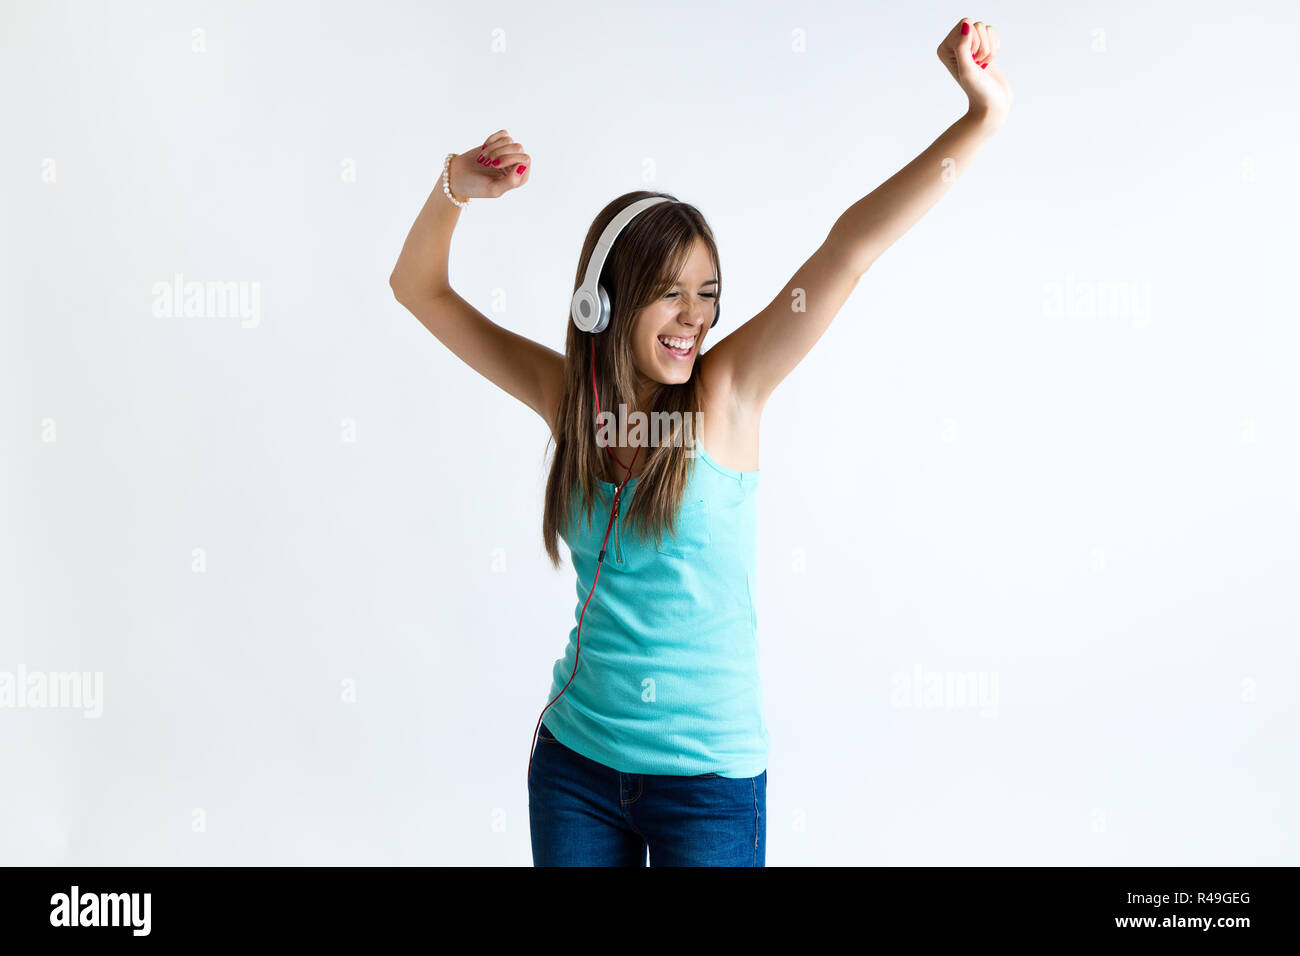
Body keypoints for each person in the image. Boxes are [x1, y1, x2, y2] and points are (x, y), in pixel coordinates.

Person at [388, 17, 1011, 866]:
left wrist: (980, 118)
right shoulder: (570, 399)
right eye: (670, 294)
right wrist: (454, 185)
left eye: (708, 293)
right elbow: (418, 290)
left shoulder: (728, 393)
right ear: (600, 305)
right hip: (574, 769)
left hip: (708, 786)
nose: (697, 318)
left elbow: (850, 247)